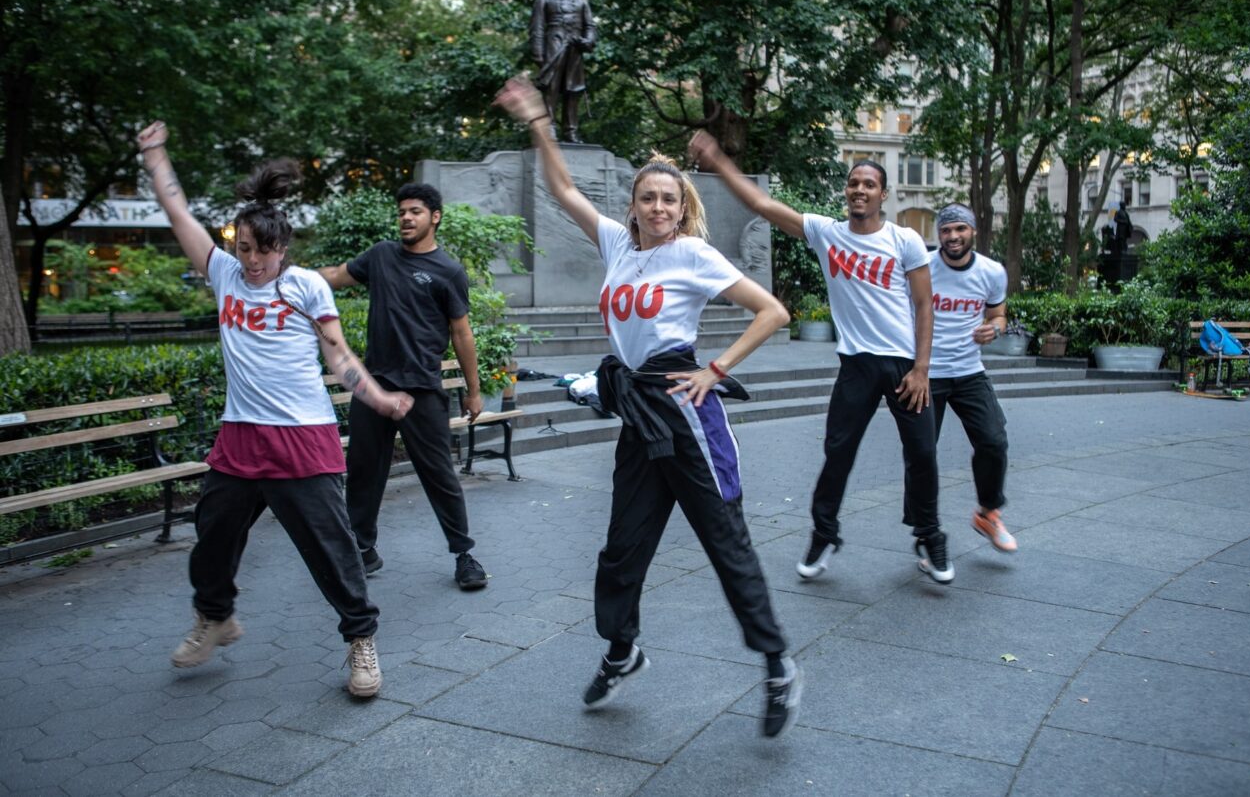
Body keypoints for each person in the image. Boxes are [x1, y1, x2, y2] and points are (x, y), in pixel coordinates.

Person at [494, 76, 803, 738]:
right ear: (633, 206)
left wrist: (714, 370)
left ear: (680, 206)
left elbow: (772, 311)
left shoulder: (691, 253)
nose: (659, 207)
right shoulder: (619, 246)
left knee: (725, 543)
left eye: (669, 198)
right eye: (648, 197)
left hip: (685, 410)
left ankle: (777, 663)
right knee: (621, 549)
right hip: (638, 412)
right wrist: (540, 123)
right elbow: (564, 191)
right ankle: (621, 650)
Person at [138, 121, 409, 698]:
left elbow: (338, 357)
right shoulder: (224, 274)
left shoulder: (307, 286)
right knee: (211, 533)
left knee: (331, 549)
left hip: (302, 438)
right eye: (243, 250)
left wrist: (379, 398)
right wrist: (156, 154)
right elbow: (177, 210)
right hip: (240, 437)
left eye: (262, 253)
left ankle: (361, 640)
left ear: (282, 248)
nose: (251, 263)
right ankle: (215, 617)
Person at [690, 132, 951, 585]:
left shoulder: (904, 240)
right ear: (846, 191)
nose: (859, 190)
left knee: (923, 453)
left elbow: (925, 305)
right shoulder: (827, 234)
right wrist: (717, 158)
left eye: (869, 184)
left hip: (905, 366)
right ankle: (824, 533)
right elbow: (763, 205)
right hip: (856, 366)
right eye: (853, 183)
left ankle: (928, 536)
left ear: (882, 194)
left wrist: (922, 367)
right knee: (837, 454)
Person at [317, 185, 489, 591]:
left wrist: (473, 389)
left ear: (435, 217)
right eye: (402, 212)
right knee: (363, 473)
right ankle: (362, 549)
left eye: (415, 211)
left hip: (423, 390)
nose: (406, 218)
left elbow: (462, 333)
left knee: (439, 475)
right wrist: (285, 276)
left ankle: (464, 554)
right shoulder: (380, 256)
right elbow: (336, 277)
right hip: (373, 388)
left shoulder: (448, 270)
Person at [927, 204, 1017, 553]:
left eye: (959, 229)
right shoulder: (922, 267)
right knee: (921, 454)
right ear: (939, 235)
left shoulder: (992, 272)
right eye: (946, 230)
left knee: (994, 441)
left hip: (968, 371)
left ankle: (987, 513)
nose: (952, 236)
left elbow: (998, 314)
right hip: (927, 373)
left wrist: (994, 329)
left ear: (973, 232)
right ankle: (927, 532)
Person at [529, 0, 596, 143]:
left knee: (573, 90)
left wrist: (587, 41)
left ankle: (571, 130)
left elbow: (589, 26)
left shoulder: (581, 2)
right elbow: (537, 28)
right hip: (554, 46)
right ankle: (548, 128)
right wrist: (538, 55)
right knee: (550, 89)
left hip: (574, 50)